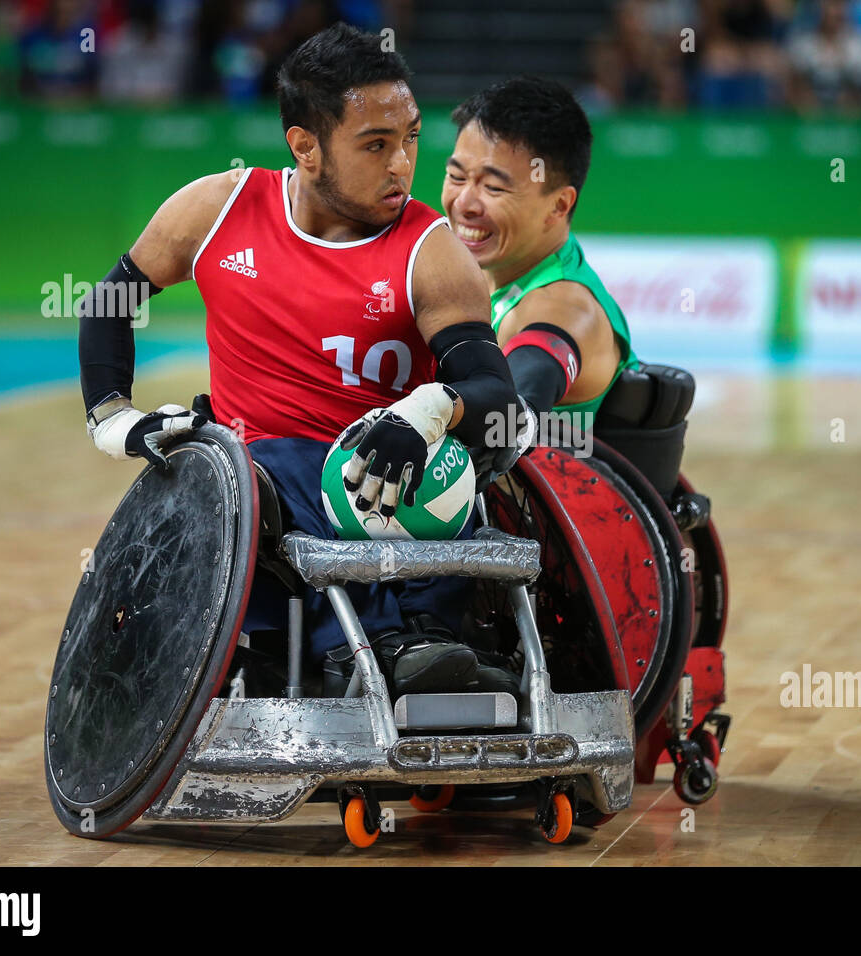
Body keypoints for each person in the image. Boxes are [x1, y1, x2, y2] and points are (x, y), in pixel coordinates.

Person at [75, 24, 525, 699]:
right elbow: (109, 302)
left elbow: (494, 392)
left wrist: (427, 410)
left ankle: (390, 641)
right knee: (258, 461)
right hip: (249, 495)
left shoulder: (431, 252)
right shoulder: (215, 210)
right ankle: (390, 645)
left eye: (410, 137)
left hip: (391, 484)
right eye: (376, 145)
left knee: (391, 467)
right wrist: (112, 418)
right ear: (306, 148)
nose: (402, 163)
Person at [440, 75, 636, 447]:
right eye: (456, 176)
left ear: (559, 205)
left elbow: (509, 416)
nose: (465, 203)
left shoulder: (567, 307)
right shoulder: (484, 270)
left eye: (494, 188)